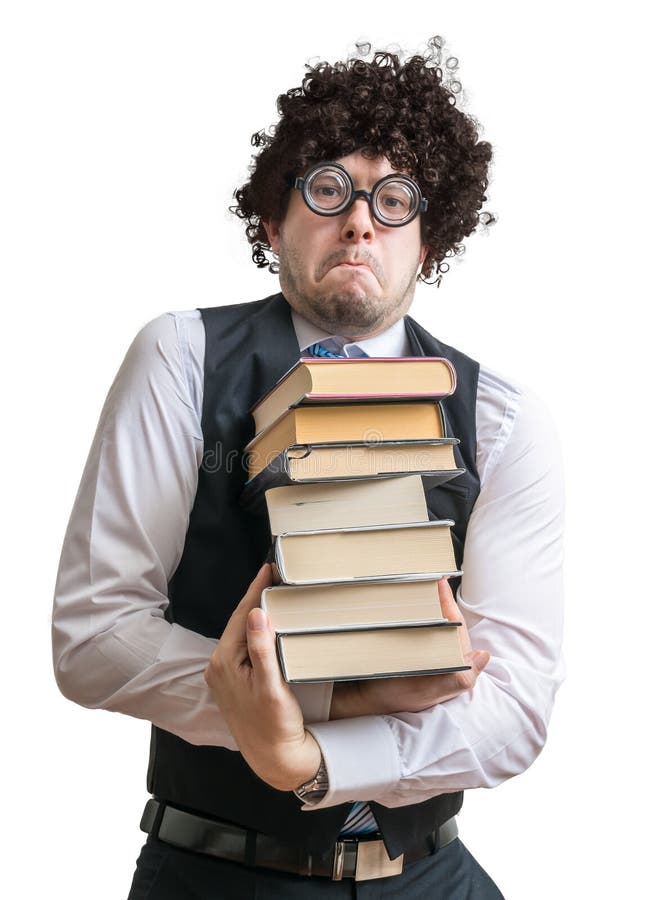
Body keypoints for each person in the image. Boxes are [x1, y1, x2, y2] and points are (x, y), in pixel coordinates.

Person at [52, 41, 564, 898]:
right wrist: (335, 707)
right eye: (328, 189)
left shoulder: (503, 417)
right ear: (270, 220)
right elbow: (93, 638)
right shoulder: (180, 357)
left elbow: (513, 710)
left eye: (394, 200)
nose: (360, 220)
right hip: (215, 873)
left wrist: (310, 754)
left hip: (428, 875)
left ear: (429, 242)